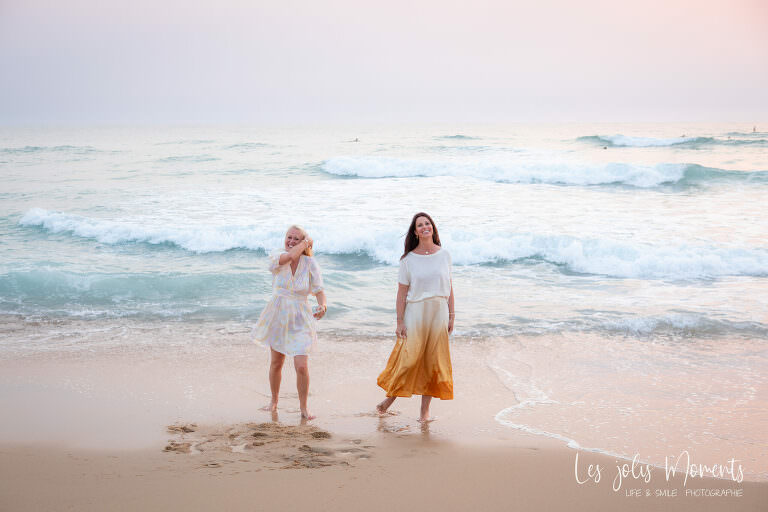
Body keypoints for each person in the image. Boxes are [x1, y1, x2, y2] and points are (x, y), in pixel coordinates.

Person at [376, 212, 454, 422]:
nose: (424, 227)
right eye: (420, 225)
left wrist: (452, 315)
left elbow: (449, 287)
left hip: (438, 312)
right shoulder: (408, 260)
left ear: (433, 228)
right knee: (408, 361)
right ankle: (387, 402)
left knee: (432, 362)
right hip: (415, 313)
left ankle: (424, 412)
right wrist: (399, 321)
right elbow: (401, 294)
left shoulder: (444, 255)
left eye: (427, 223)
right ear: (415, 232)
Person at [253, 225, 327, 420]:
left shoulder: (310, 263)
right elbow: (290, 257)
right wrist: (305, 242)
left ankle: (303, 407)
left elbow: (319, 290)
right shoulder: (277, 257)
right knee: (277, 362)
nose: (291, 241)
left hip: (300, 317)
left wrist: (323, 305)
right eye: (289, 237)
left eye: (297, 238)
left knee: (301, 366)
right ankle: (274, 401)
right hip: (278, 314)